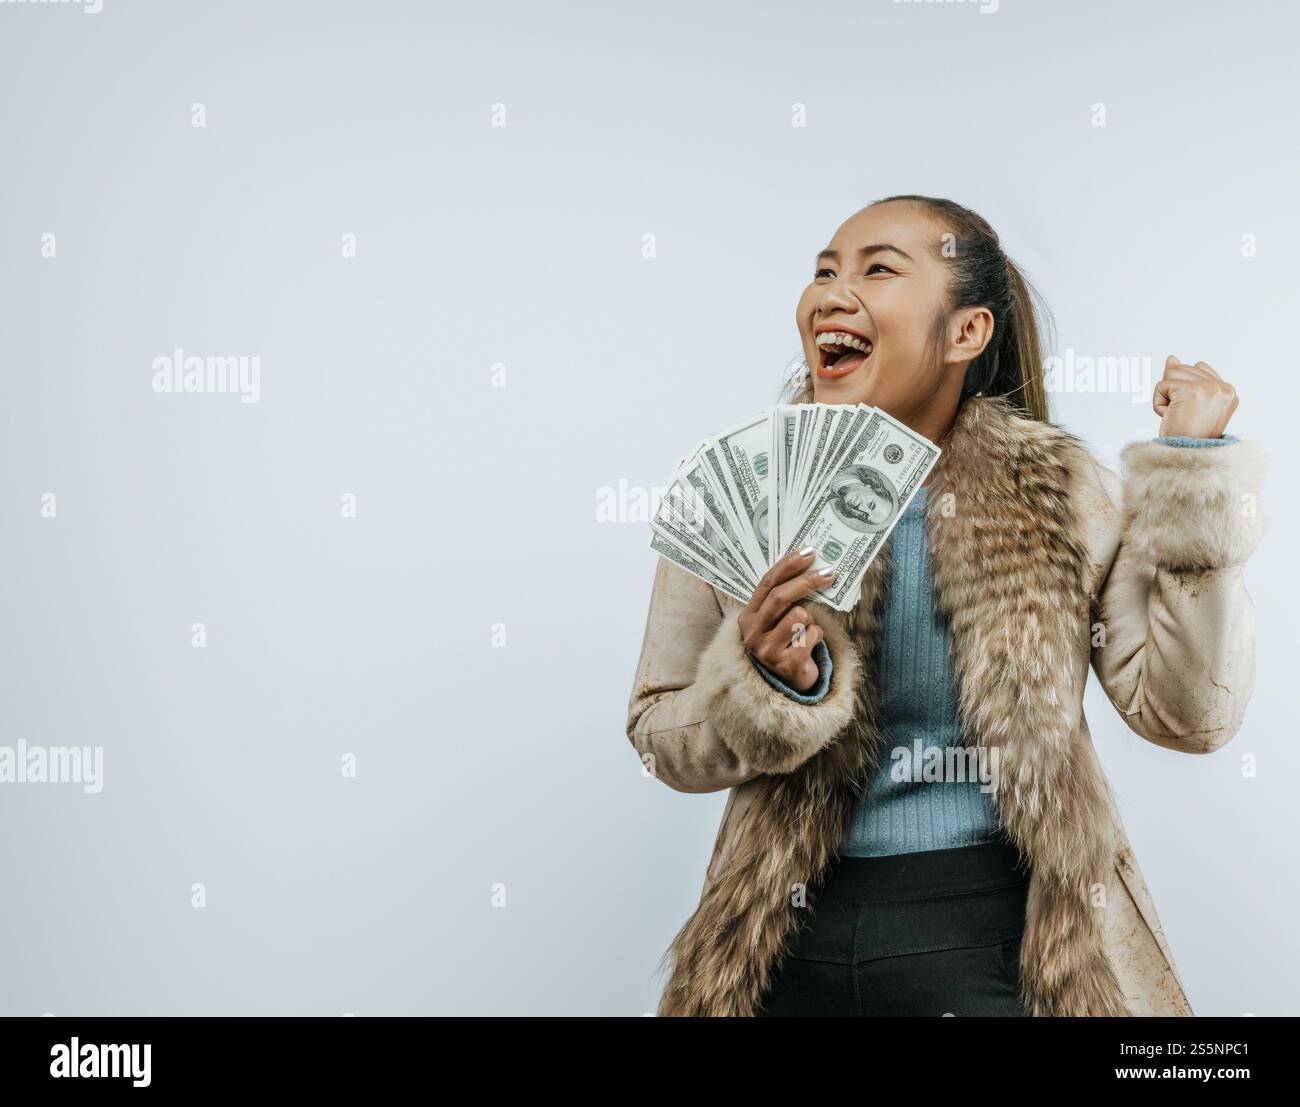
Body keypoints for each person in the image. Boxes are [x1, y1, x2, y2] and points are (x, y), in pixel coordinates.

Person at [625, 195, 1265, 1017]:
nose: (831, 292)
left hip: (990, 937)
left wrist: (1193, 474)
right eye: (824, 270)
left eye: (877, 269)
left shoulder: (1066, 497)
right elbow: (658, 738)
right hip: (783, 940)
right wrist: (762, 686)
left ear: (966, 333)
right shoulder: (741, 499)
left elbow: (1186, 716)